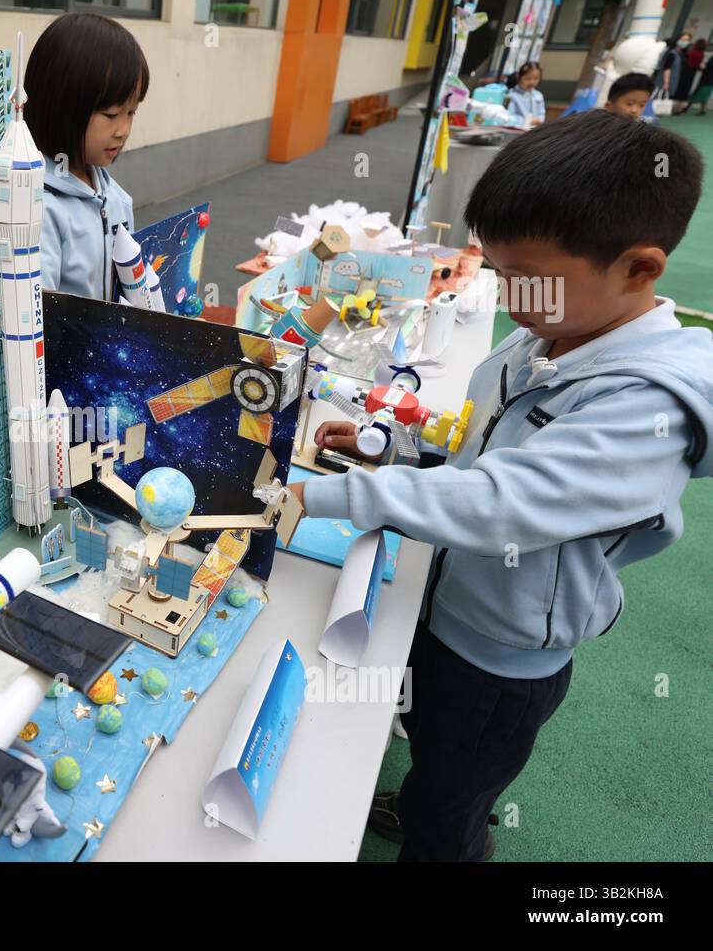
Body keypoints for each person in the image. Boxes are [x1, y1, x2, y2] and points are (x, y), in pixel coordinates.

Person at [289, 111, 712, 861]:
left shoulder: (646, 410)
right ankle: (430, 795)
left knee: (455, 799)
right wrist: (392, 447)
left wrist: (319, 496)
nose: (510, 298)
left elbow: (500, 500)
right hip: (448, 600)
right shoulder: (553, 331)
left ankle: (445, 830)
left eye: (528, 278)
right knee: (432, 744)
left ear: (638, 269)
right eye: (501, 271)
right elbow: (476, 443)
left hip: (501, 659)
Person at [24, 13, 147, 301]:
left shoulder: (115, 196)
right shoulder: (39, 209)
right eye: (112, 114)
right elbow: (41, 316)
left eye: (132, 112)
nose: (124, 130)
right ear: (61, 107)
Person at [504, 62, 546, 126]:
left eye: (536, 78)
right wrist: (527, 121)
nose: (532, 82)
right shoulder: (510, 95)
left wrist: (539, 120)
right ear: (519, 78)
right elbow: (507, 116)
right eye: (528, 78)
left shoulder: (539, 95)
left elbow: (541, 114)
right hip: (517, 129)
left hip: (534, 130)